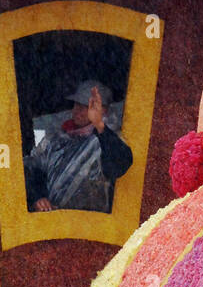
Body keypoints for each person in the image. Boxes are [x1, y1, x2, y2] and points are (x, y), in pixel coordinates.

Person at [24, 82, 132, 214]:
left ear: (102, 110)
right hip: (51, 225)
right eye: (76, 105)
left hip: (90, 229)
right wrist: (38, 197)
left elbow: (119, 165)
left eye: (85, 107)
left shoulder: (106, 140)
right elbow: (31, 169)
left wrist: (99, 124)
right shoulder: (56, 140)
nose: (77, 111)